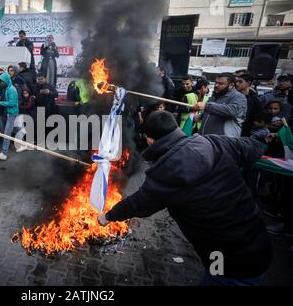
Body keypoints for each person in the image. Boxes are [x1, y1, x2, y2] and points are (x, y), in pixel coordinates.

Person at [98, 111, 272, 286]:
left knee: (217, 280)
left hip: (228, 259)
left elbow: (139, 203)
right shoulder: (213, 142)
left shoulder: (168, 171)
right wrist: (264, 140)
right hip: (257, 240)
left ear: (150, 140)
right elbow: (252, 147)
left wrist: (108, 216)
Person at [197, 73, 247, 137]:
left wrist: (206, 106)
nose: (216, 85)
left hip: (223, 142)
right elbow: (210, 113)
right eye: (216, 82)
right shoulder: (215, 96)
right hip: (206, 139)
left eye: (221, 84)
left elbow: (232, 111)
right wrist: (200, 116)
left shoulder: (239, 97)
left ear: (231, 85)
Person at [0, 72, 20, 161]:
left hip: (12, 113)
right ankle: (23, 144)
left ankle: (4, 153)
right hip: (10, 113)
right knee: (13, 130)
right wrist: (1, 98)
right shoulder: (8, 89)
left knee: (7, 133)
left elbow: (12, 103)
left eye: (3, 81)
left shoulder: (12, 89)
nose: (1, 83)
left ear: (7, 81)